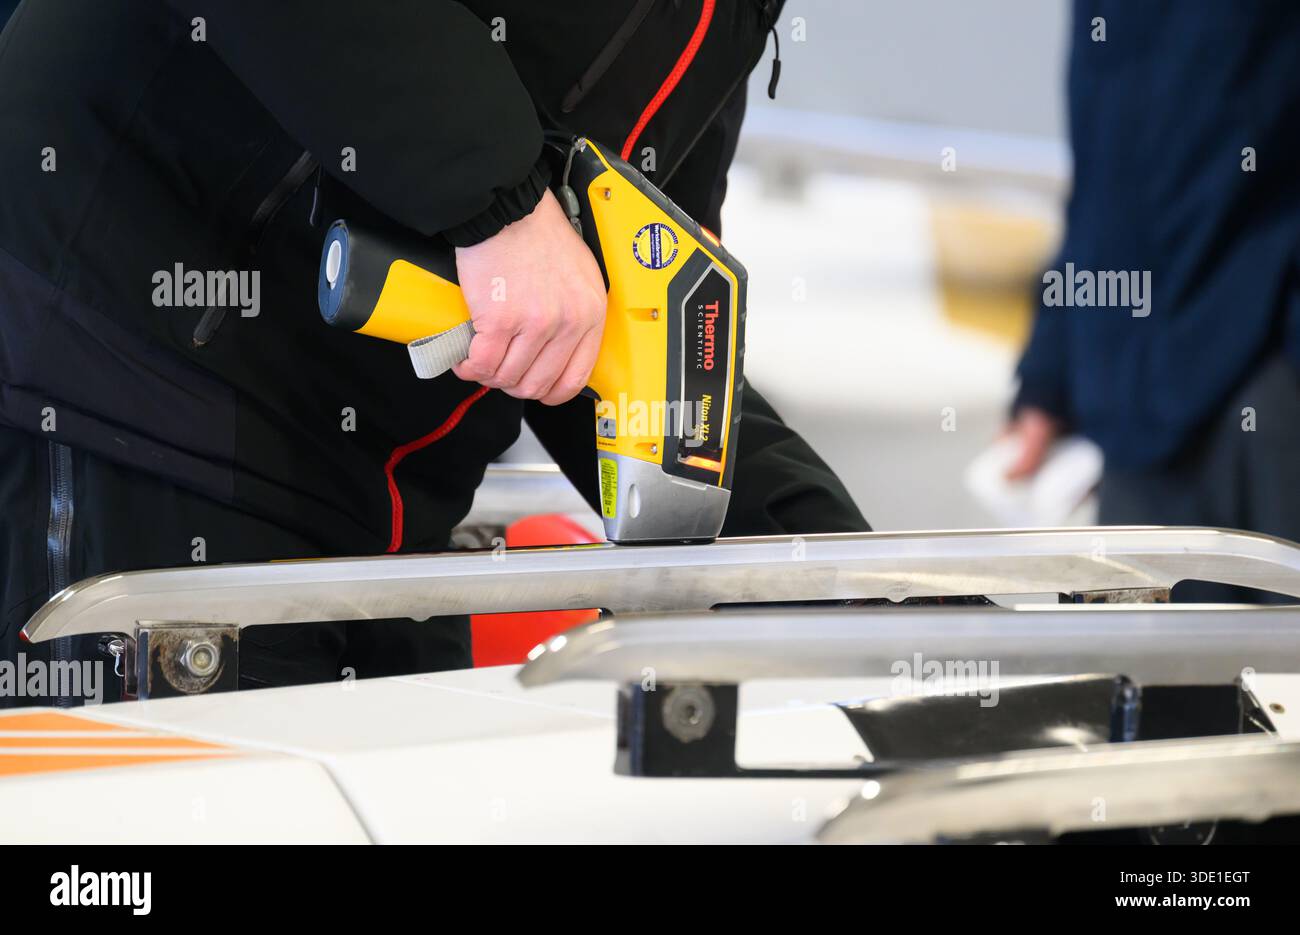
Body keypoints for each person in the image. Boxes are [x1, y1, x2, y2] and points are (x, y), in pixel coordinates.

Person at [0, 0, 867, 705]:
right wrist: (496, 200)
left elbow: (618, 318)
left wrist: (862, 588)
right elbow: (528, 249)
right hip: (137, 373)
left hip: (380, 511)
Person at [1004, 0, 1300, 600]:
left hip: (1265, 396)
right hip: (1128, 412)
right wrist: (1052, 371)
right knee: (1147, 684)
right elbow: (1101, 166)